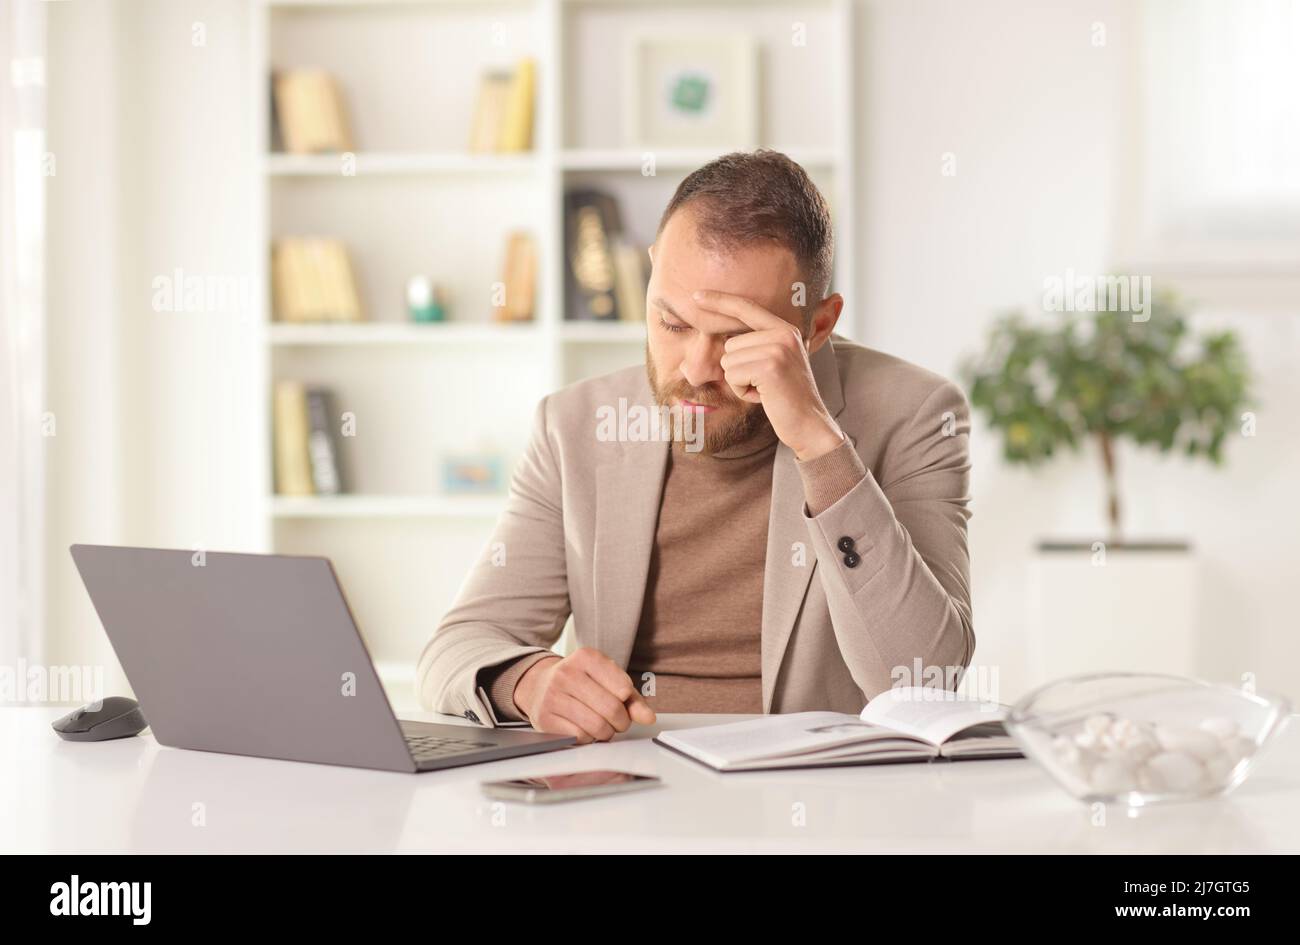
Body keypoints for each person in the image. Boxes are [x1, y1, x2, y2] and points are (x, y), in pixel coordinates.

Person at [416, 149, 974, 744]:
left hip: (810, 798)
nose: (698, 368)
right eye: (673, 325)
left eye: (740, 337)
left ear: (817, 326)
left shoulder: (915, 414)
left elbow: (924, 682)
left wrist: (819, 442)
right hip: (626, 783)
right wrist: (529, 681)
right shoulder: (575, 426)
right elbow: (455, 649)